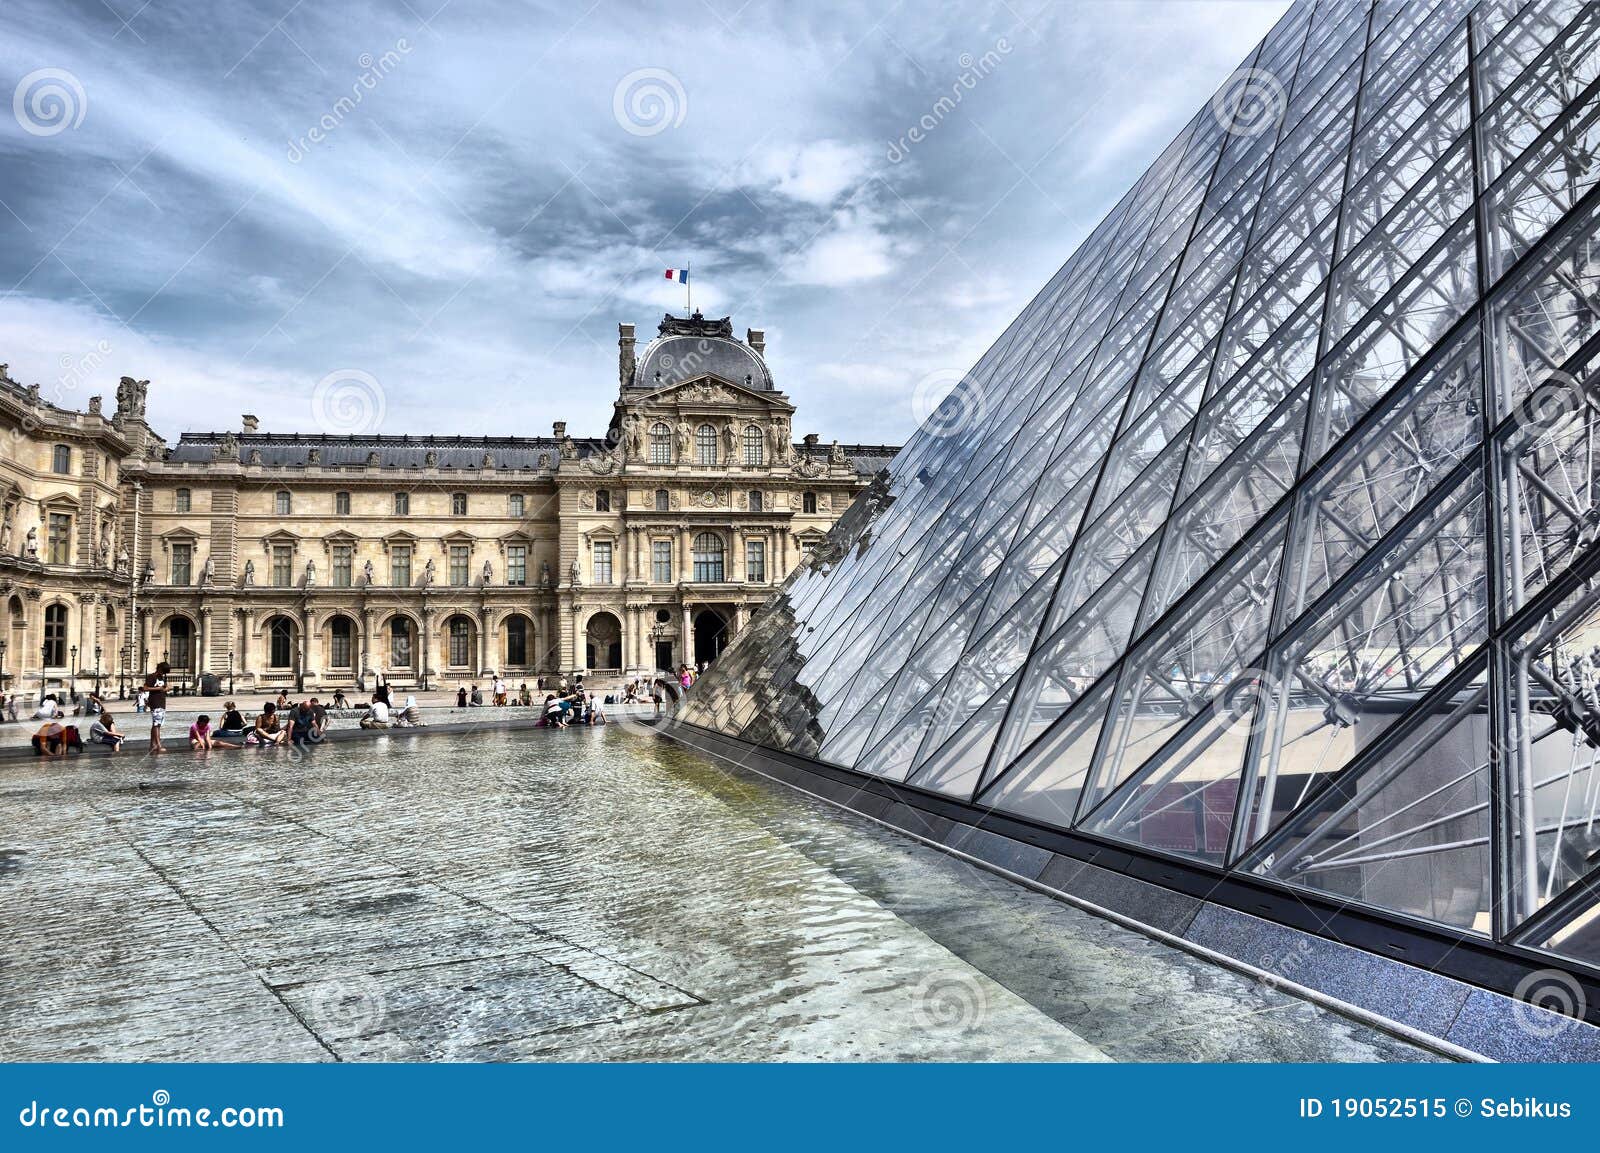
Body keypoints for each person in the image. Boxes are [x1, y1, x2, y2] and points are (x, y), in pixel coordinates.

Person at [142, 662, 171, 754]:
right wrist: (159, 689)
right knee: (156, 724)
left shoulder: (161, 677)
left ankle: (152, 745)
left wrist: (166, 689)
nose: (163, 674)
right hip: (155, 702)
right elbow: (145, 688)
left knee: (156, 724)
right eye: (163, 672)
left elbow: (162, 688)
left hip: (161, 702)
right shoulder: (152, 677)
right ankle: (158, 746)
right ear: (159, 669)